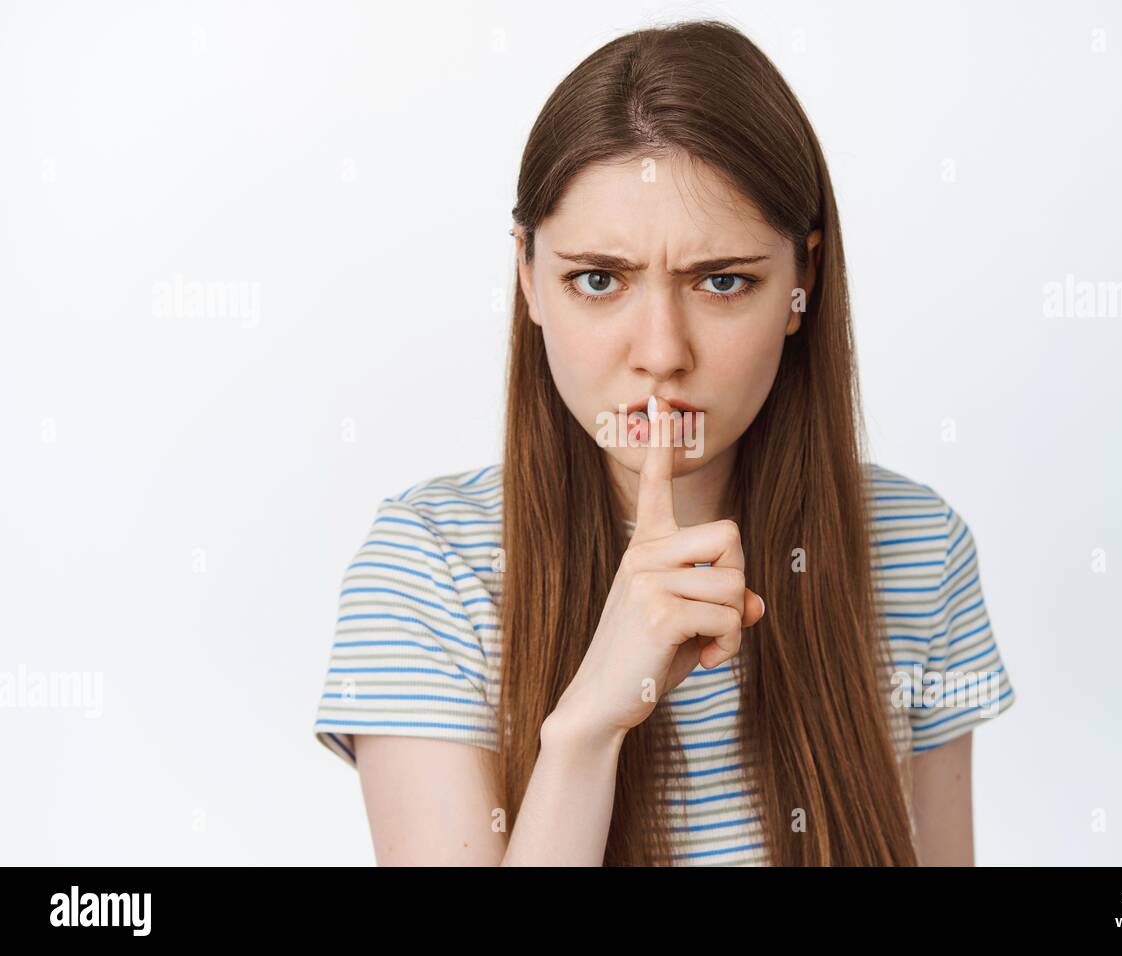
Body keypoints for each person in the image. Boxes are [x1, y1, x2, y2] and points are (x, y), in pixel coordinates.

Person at [312, 18, 1016, 866]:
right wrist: (588, 724)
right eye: (598, 280)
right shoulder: (429, 571)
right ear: (529, 276)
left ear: (805, 281)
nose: (660, 353)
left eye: (722, 281)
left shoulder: (918, 548)